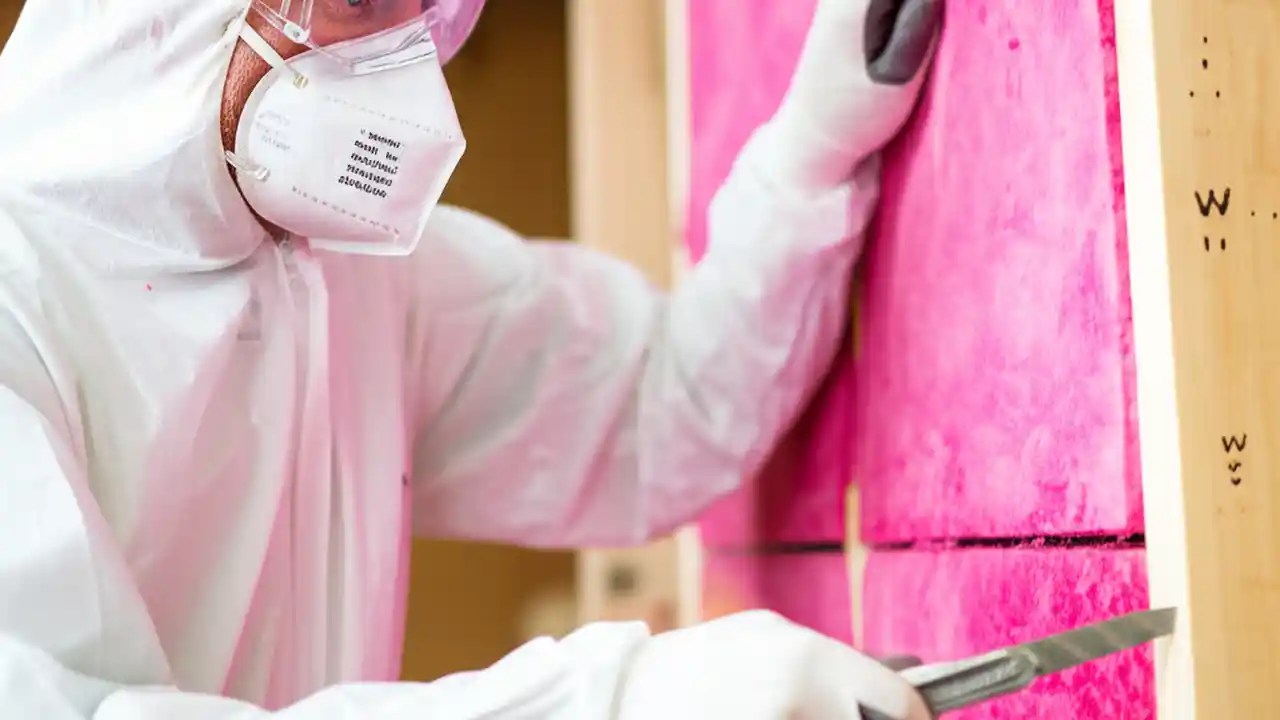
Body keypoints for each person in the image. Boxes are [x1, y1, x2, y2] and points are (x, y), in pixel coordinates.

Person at [0, 0, 941, 716]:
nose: (398, 70)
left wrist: (815, 149)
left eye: (428, 15)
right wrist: (619, 702)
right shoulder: (19, 305)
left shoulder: (342, 284)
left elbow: (662, 408)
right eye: (364, 0)